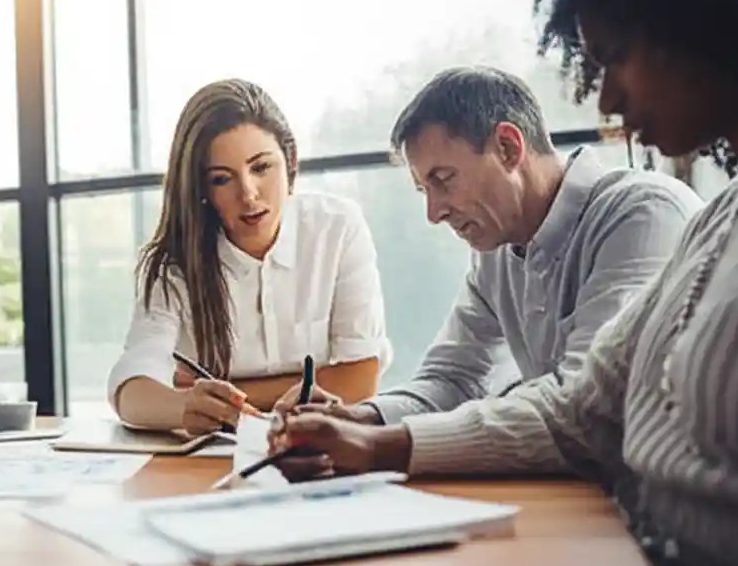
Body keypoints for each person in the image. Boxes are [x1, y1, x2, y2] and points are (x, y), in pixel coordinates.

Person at [271, 0, 738, 566]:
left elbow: (579, 410)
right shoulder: (724, 218)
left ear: (701, 16)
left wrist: (382, 446)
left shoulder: (650, 213)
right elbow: (575, 409)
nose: (606, 98)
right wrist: (371, 433)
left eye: (616, 55)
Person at [275, 66, 701, 425]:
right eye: (424, 190)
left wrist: (388, 445)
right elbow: (453, 380)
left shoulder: (641, 216)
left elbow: (583, 400)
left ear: (508, 147)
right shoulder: (496, 252)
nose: (434, 213)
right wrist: (360, 420)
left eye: (443, 181)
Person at [108, 78, 390, 435]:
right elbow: (130, 388)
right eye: (222, 179)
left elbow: (360, 378)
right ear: (203, 190)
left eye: (261, 168)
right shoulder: (175, 265)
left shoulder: (337, 228)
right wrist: (182, 405)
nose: (249, 194)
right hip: (210, 457)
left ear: (290, 163)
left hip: (318, 443)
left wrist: (224, 395)